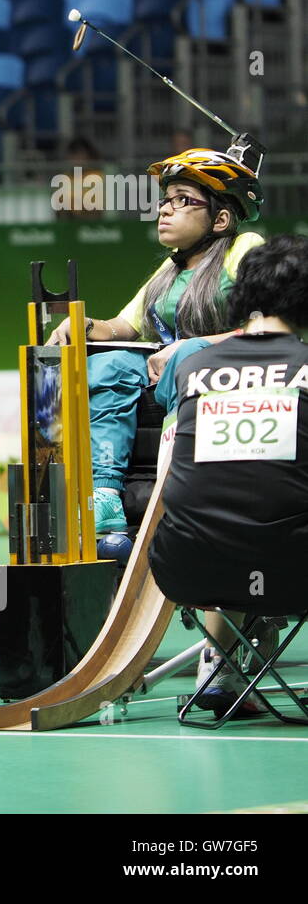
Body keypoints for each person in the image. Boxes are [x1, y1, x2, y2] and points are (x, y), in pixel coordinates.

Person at [46, 147, 265, 537]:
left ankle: (182, 488)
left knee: (192, 354)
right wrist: (82, 325)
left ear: (221, 219)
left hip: (224, 372)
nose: (165, 209)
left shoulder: (242, 248)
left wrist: (190, 347)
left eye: (183, 200)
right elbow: (123, 328)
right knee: (109, 364)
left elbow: (267, 327)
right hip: (168, 374)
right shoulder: (170, 268)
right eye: (165, 200)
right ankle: (107, 493)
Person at [149, 234, 308, 718]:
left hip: (184, 568)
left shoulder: (192, 366)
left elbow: (173, 463)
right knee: (265, 520)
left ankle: (219, 666)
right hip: (293, 571)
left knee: (231, 513)